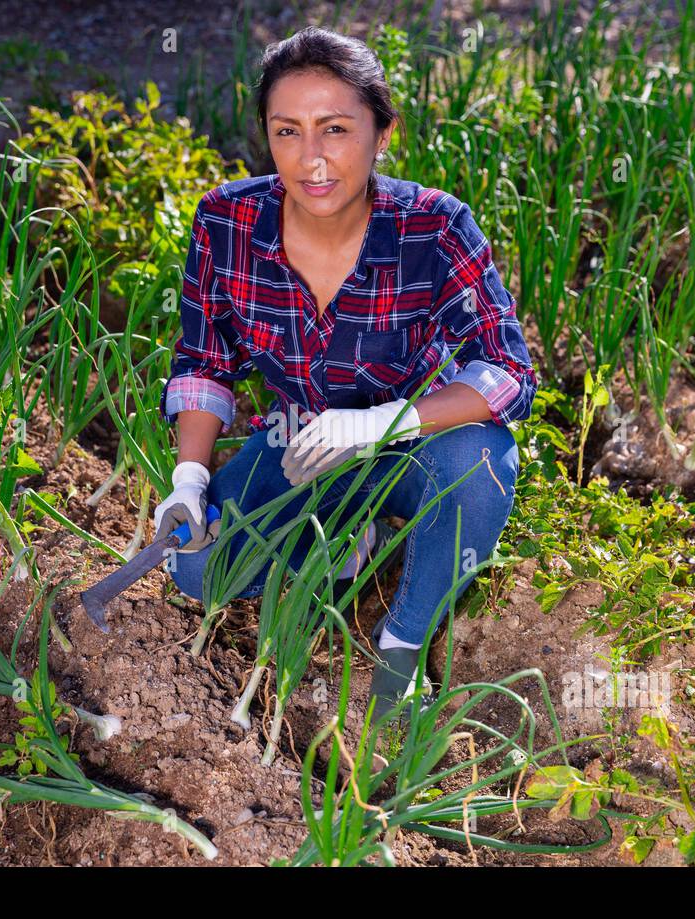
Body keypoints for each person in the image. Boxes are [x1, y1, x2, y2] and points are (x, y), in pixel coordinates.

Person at [154, 26, 537, 723]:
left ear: (383, 132)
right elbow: (204, 362)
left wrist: (379, 422)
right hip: (297, 440)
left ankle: (402, 643)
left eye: (335, 129)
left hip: (412, 438)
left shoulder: (434, 227)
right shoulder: (227, 221)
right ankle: (341, 547)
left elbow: (506, 370)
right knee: (197, 568)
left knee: (483, 462)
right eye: (287, 131)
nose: (313, 159)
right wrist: (189, 481)